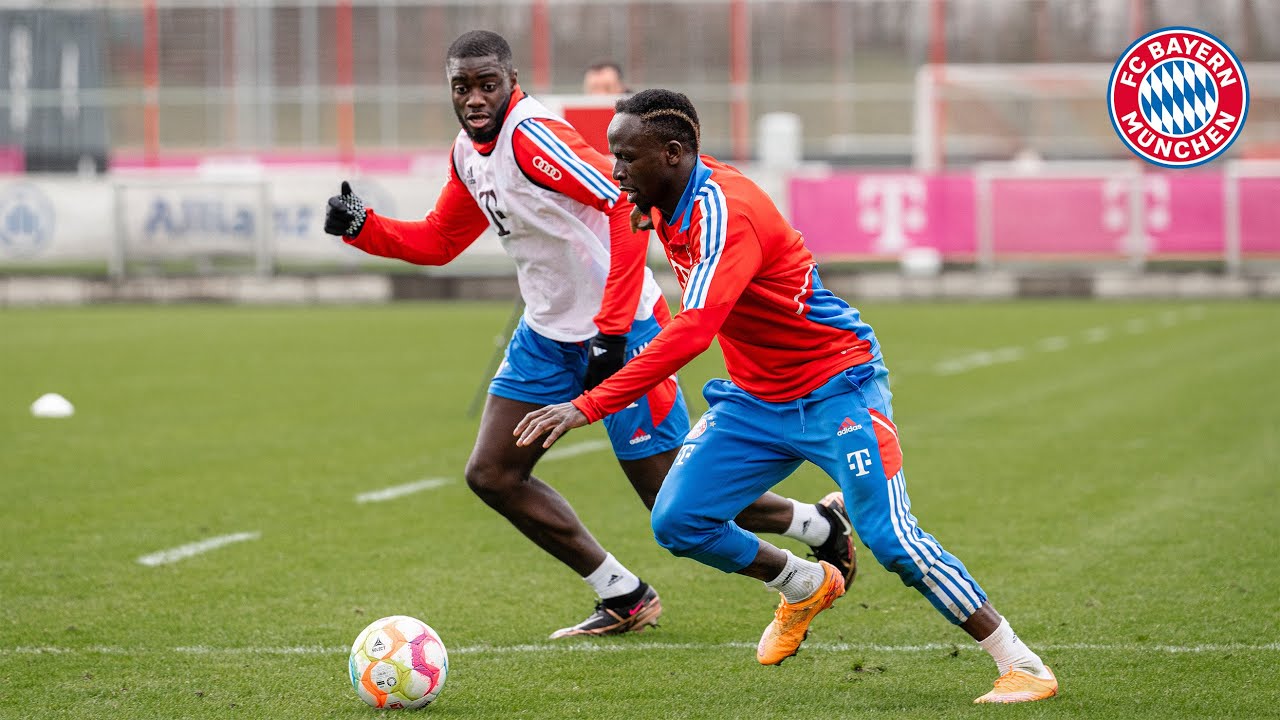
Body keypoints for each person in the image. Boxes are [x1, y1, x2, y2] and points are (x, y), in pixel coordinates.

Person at [515, 88, 1059, 704]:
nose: (615, 171)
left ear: (671, 154)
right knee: (676, 521)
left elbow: (694, 330)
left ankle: (1021, 663)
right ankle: (804, 584)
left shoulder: (727, 210)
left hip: (837, 386)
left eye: (626, 157)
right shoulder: (664, 195)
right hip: (754, 399)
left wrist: (586, 404)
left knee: (892, 541)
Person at [323, 31, 856, 640]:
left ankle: (815, 531)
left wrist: (610, 329)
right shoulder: (468, 153)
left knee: (670, 497)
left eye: (487, 84)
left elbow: (621, 207)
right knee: (493, 473)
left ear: (511, 80)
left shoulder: (532, 135)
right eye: (461, 87)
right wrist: (364, 228)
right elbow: (441, 240)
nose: (474, 98)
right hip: (546, 335)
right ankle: (625, 593)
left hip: (623, 329)